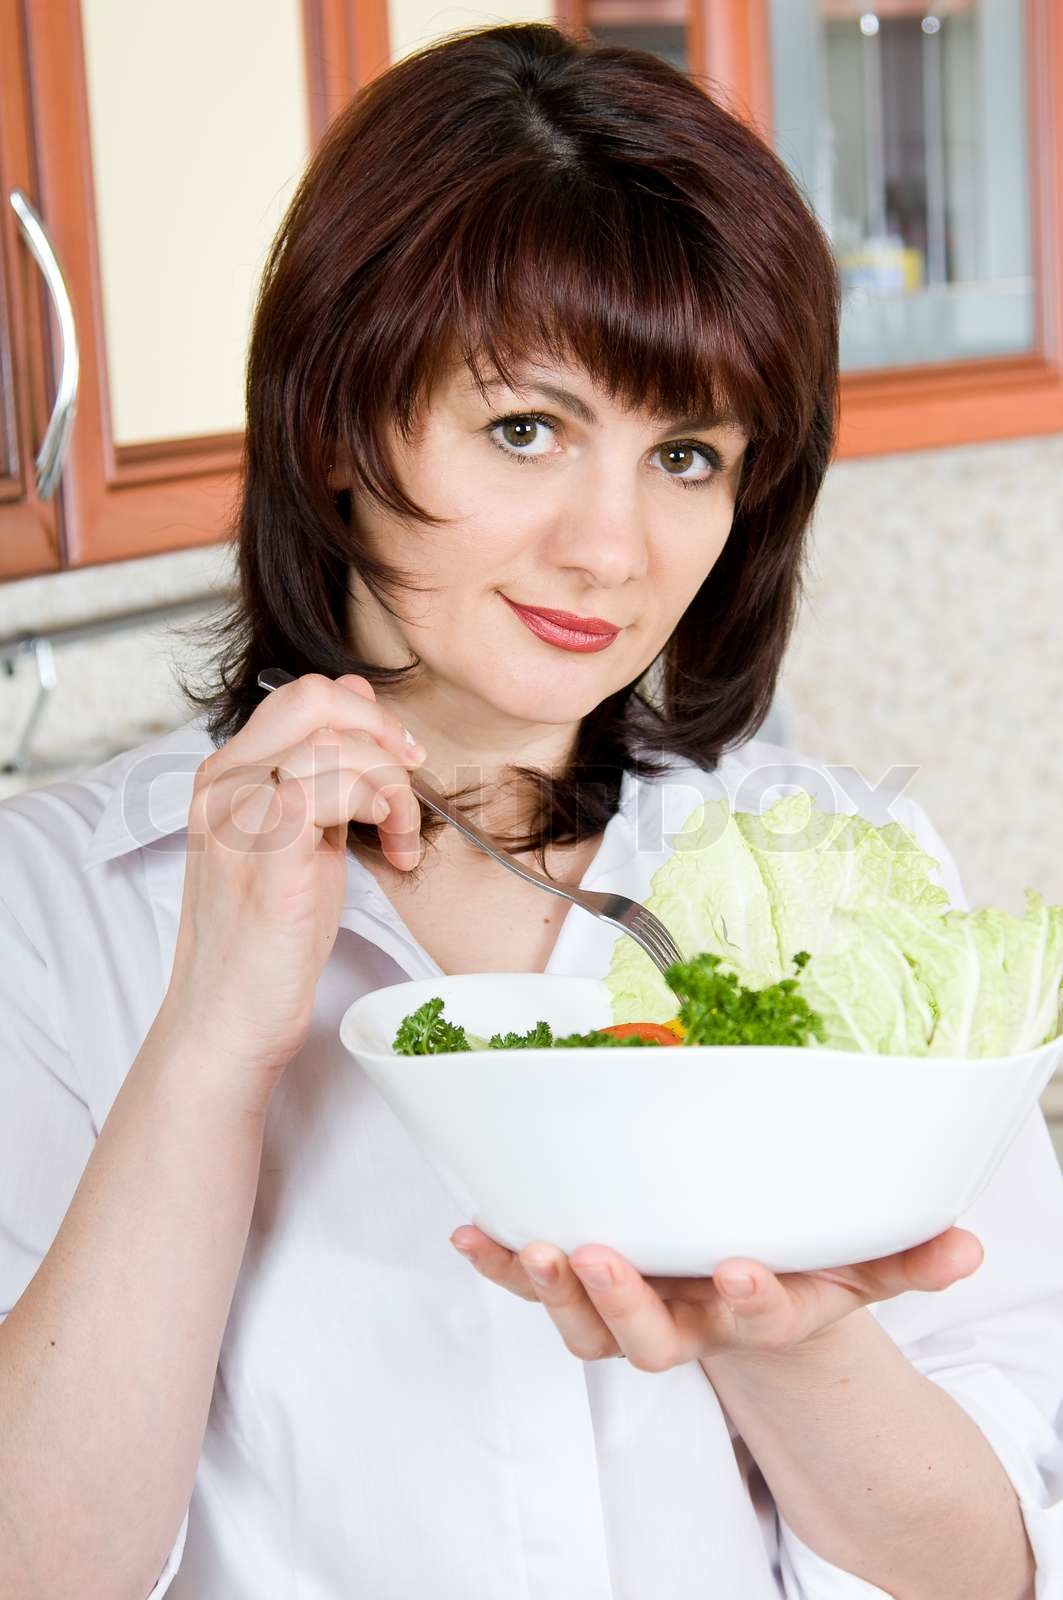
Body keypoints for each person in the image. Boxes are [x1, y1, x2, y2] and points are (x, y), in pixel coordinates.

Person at [0, 20, 1060, 1599]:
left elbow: (994, 1563)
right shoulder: (64, 900)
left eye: (687, 453)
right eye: (525, 430)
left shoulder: (836, 886)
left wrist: (779, 1348)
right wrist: (214, 1041)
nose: (612, 550)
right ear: (341, 429)